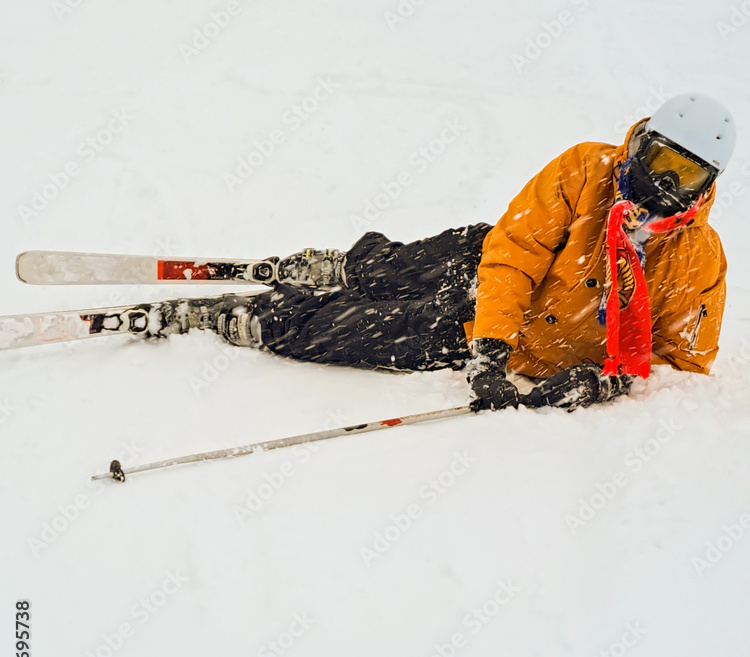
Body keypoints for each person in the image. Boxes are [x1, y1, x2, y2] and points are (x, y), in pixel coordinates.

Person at [148, 94, 735, 412]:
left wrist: (605, 383)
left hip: (516, 338)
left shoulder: (699, 259)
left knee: (358, 331)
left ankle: (256, 316)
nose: (664, 184)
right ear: (640, 144)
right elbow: (514, 254)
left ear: (705, 186)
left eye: (684, 175)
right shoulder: (587, 168)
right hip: (496, 290)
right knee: (406, 266)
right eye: (660, 161)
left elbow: (682, 364)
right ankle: (347, 267)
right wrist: (490, 350)